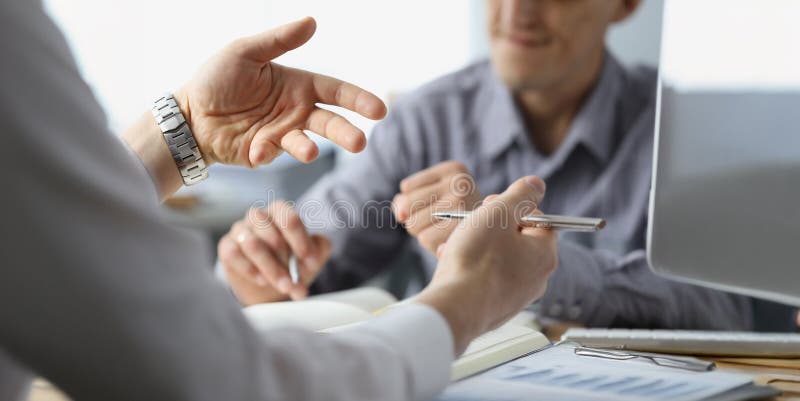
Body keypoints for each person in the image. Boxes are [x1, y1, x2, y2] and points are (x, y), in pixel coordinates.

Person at [0, 3, 559, 400]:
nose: (518, 12)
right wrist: (469, 298)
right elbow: (221, 381)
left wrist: (185, 129)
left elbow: (42, 219)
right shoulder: (428, 116)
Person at [219, 0, 757, 330]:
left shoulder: (684, 130)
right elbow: (307, 255)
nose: (517, 11)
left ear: (626, 3)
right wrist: (262, 272)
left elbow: (728, 310)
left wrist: (540, 269)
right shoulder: (425, 120)